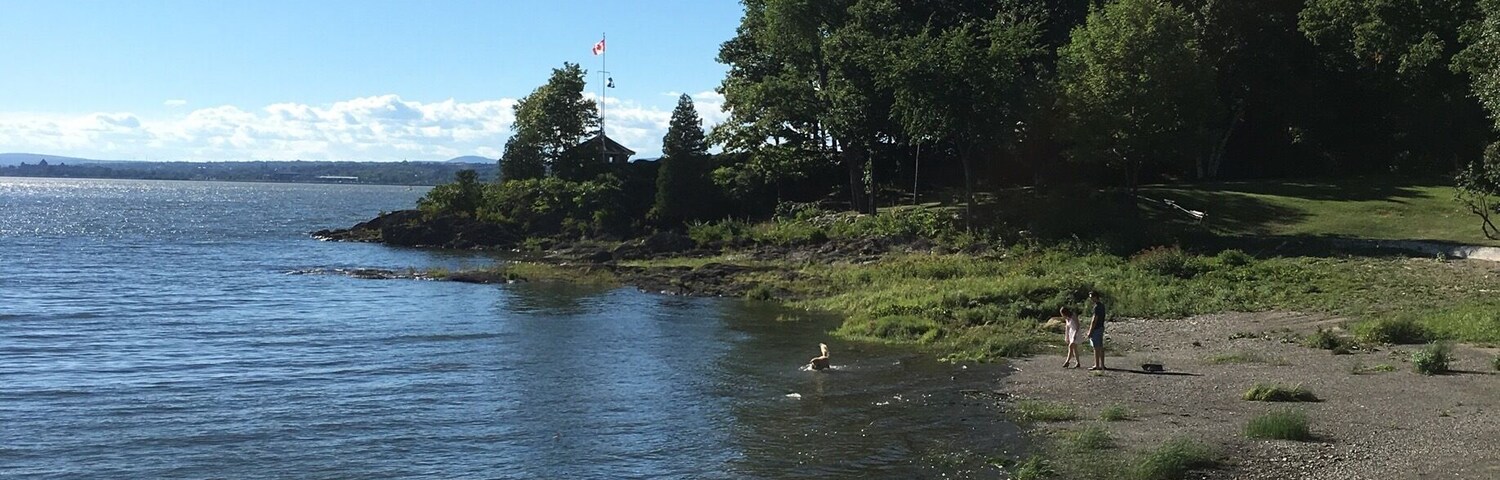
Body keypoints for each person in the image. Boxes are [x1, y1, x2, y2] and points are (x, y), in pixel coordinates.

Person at [1087, 291, 1107, 370]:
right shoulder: (1102, 306)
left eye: (1092, 297)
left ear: (1096, 297)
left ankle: (1097, 365)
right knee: (1100, 346)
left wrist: (1090, 330)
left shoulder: (1096, 307)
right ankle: (1102, 364)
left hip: (1096, 328)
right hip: (1101, 327)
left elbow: (1094, 320)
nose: (1091, 299)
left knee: (1096, 347)